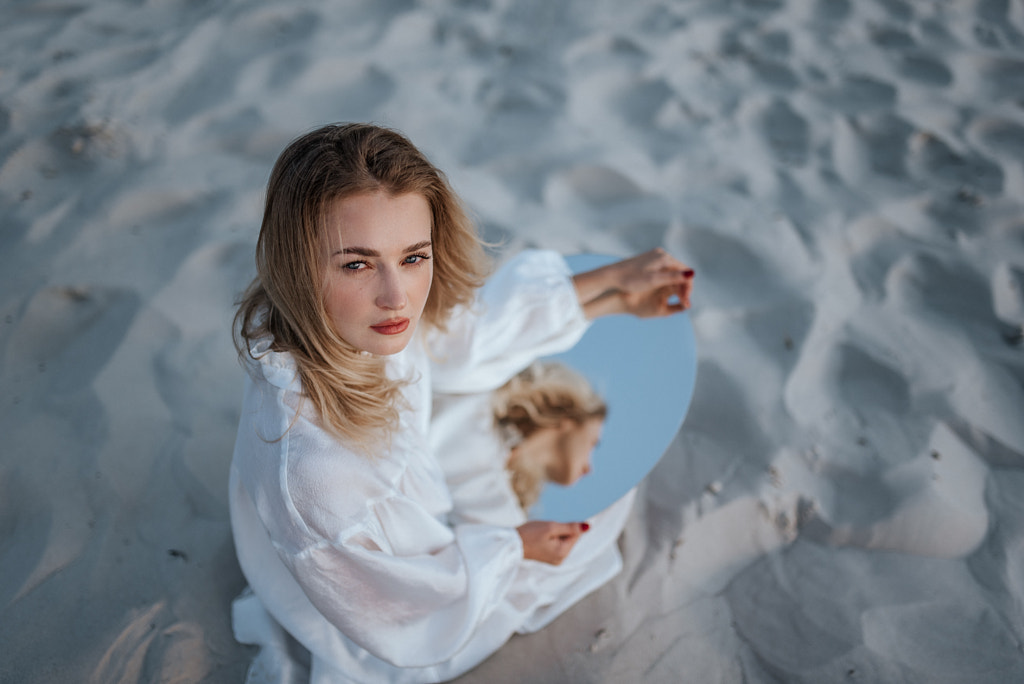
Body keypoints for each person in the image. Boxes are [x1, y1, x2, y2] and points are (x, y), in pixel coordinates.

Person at [229, 123, 695, 683]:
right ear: (296, 266)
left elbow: (460, 335)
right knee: (593, 521)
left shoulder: (353, 324)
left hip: (404, 506)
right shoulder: (316, 473)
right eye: (356, 264)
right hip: (378, 614)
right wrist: (511, 549)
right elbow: (405, 606)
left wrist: (613, 288)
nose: (396, 297)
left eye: (413, 257)